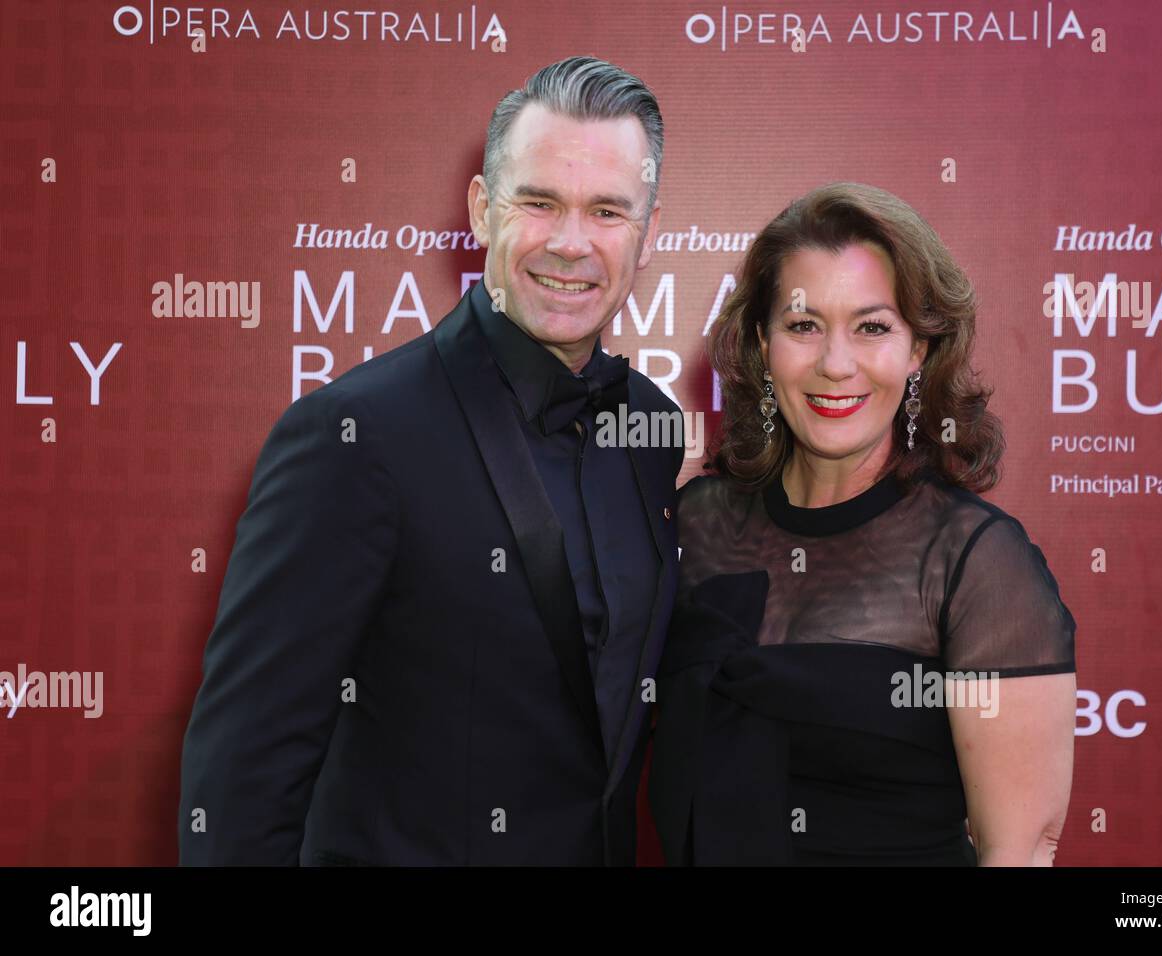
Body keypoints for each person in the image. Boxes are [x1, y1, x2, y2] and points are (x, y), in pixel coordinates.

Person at [178, 56, 683, 865]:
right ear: (483, 210)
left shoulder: (654, 431)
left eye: (607, 211)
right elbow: (244, 769)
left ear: (648, 236)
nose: (570, 242)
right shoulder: (353, 434)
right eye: (540, 201)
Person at [649, 182, 1077, 866]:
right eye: (803, 325)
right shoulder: (694, 525)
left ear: (918, 352)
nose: (835, 364)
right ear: (762, 343)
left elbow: (1018, 851)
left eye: (872, 326)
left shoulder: (974, 564)